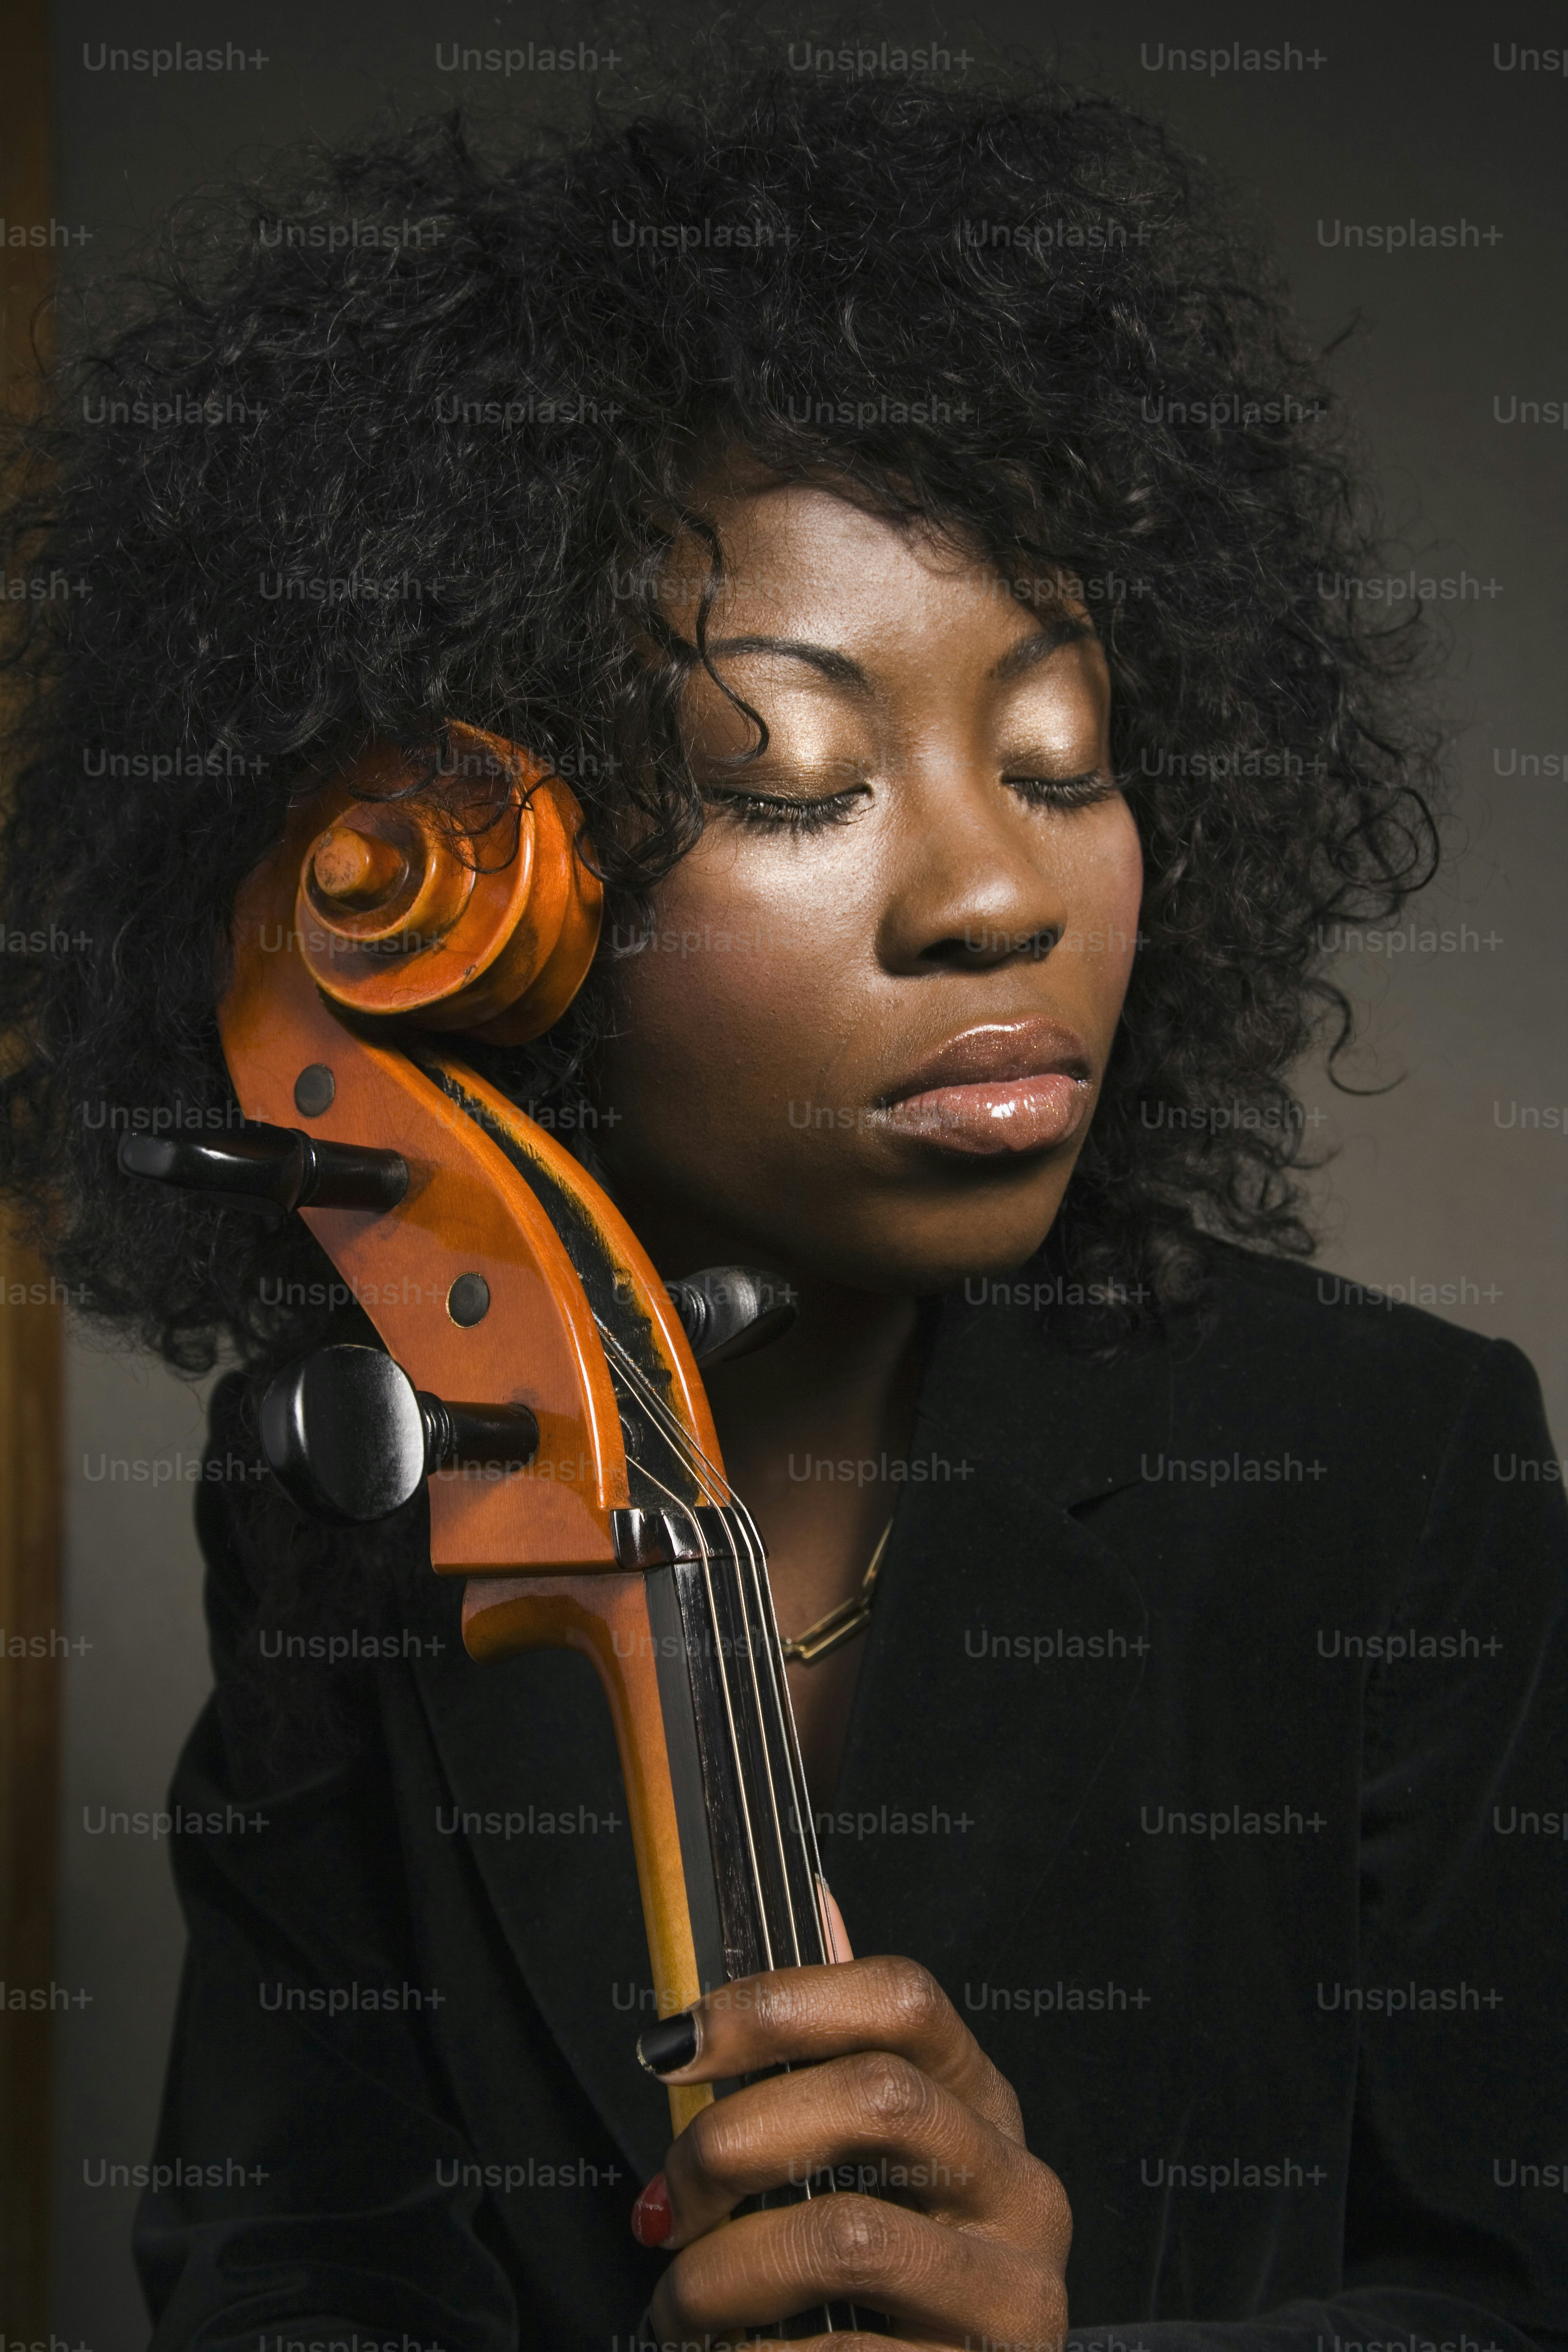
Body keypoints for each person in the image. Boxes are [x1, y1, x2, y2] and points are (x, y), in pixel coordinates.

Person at [1, 63, 1563, 2352]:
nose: (995, 894)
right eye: (793, 789)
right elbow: (283, 2276)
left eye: (1065, 760)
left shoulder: (1389, 1470)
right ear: (504, 902)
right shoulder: (343, 1490)